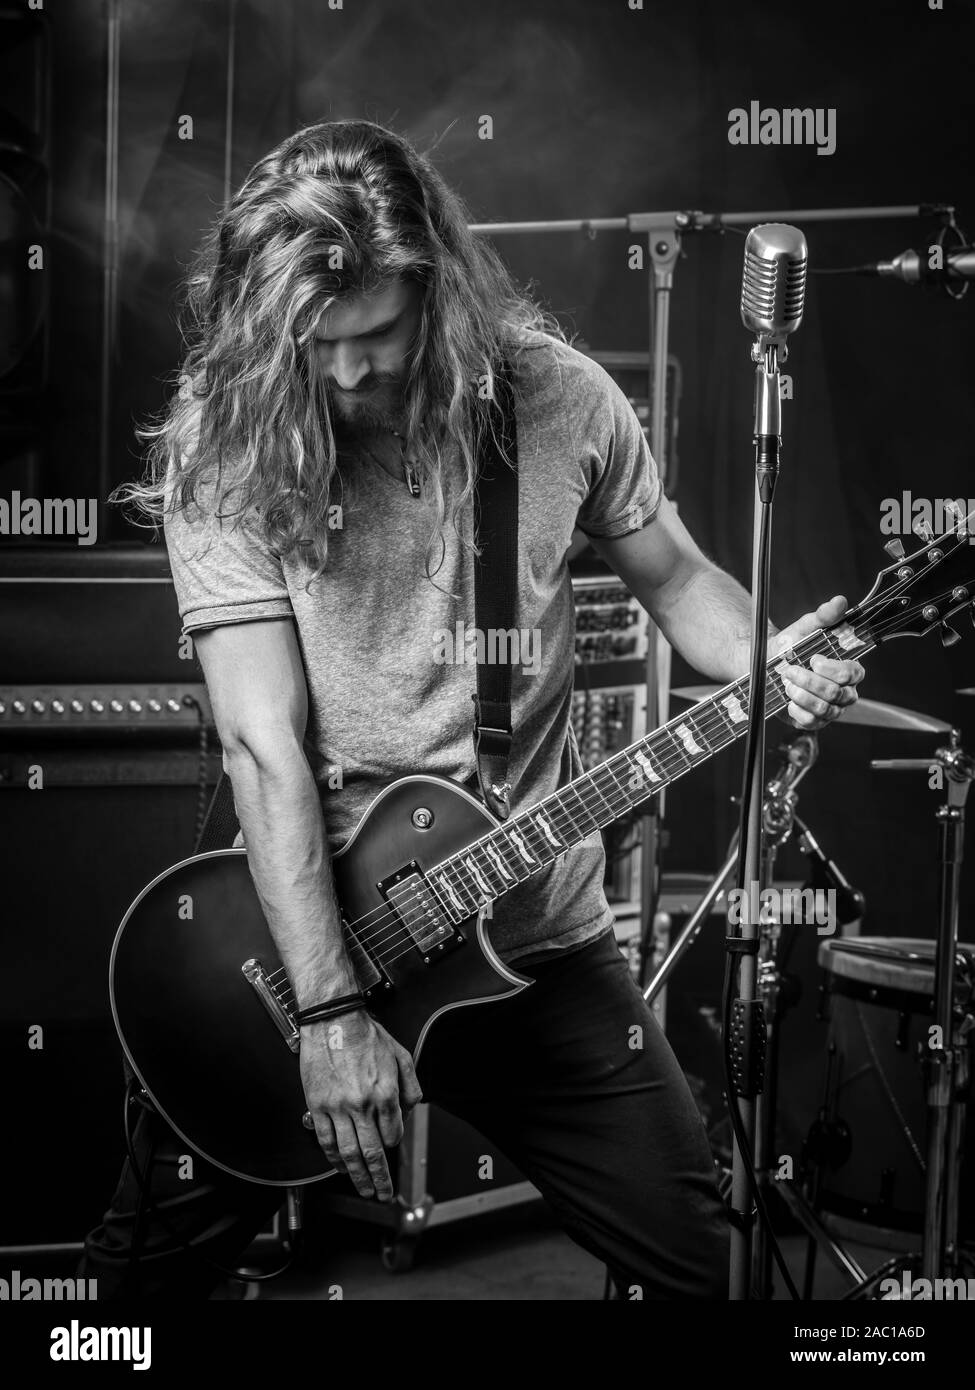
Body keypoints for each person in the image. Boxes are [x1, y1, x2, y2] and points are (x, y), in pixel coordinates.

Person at [80, 119, 864, 1300]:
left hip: (534, 941)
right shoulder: (230, 443)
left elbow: (680, 579)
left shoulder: (561, 402)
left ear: (440, 292)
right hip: (305, 949)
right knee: (126, 1301)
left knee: (712, 1273)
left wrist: (773, 656)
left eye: (379, 335)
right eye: (315, 345)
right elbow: (263, 744)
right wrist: (332, 1011)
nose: (346, 374)